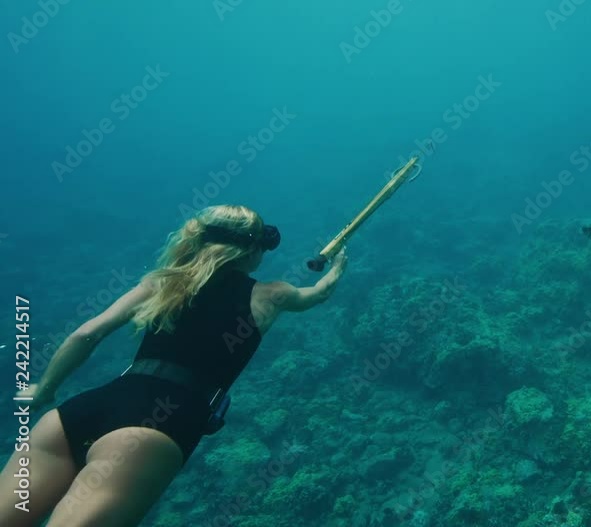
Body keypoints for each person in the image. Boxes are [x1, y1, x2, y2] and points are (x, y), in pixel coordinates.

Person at [0, 205, 348, 527]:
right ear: (253, 249)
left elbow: (87, 333)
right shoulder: (272, 294)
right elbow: (318, 294)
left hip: (79, 413)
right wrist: (337, 266)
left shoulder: (161, 282)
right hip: (152, 432)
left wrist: (44, 389)